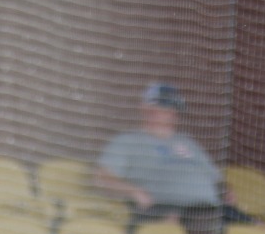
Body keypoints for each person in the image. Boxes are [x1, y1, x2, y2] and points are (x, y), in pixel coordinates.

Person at [92, 83, 226, 223]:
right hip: (166, 211)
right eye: (165, 108)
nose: (172, 113)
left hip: (211, 210)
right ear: (146, 110)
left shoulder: (188, 142)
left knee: (246, 226)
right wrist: (135, 192)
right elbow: (102, 179)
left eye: (174, 109)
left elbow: (216, 179)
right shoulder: (128, 141)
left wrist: (227, 192)